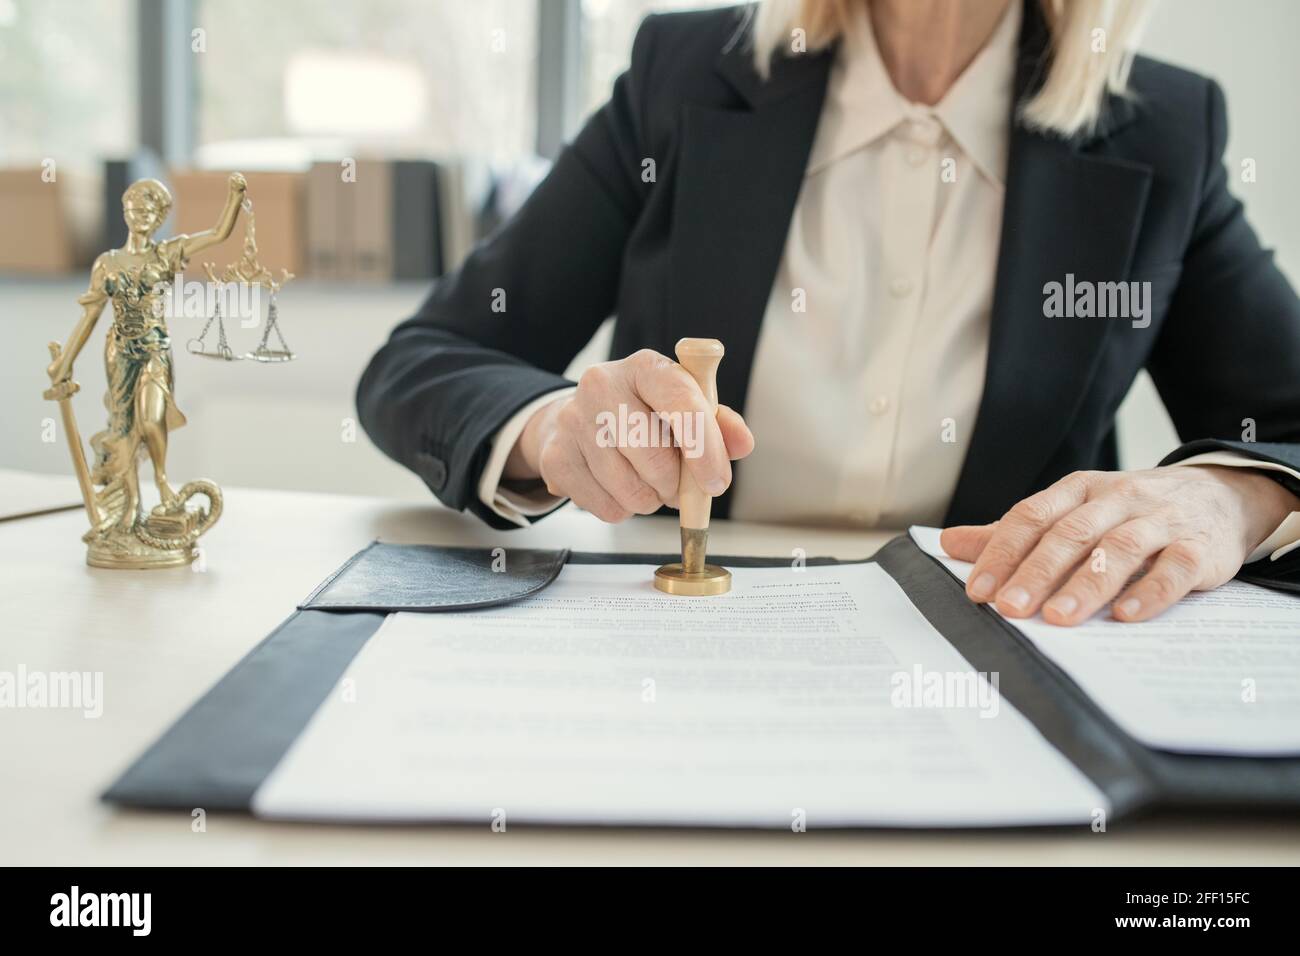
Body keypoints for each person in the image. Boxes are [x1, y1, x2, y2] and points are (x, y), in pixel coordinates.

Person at [357, 0, 1300, 625]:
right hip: (669, 642)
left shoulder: (1164, 128)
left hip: (996, 674)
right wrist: (556, 429)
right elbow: (427, 359)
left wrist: (1234, 493)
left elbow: (1285, 423)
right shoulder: (683, 74)